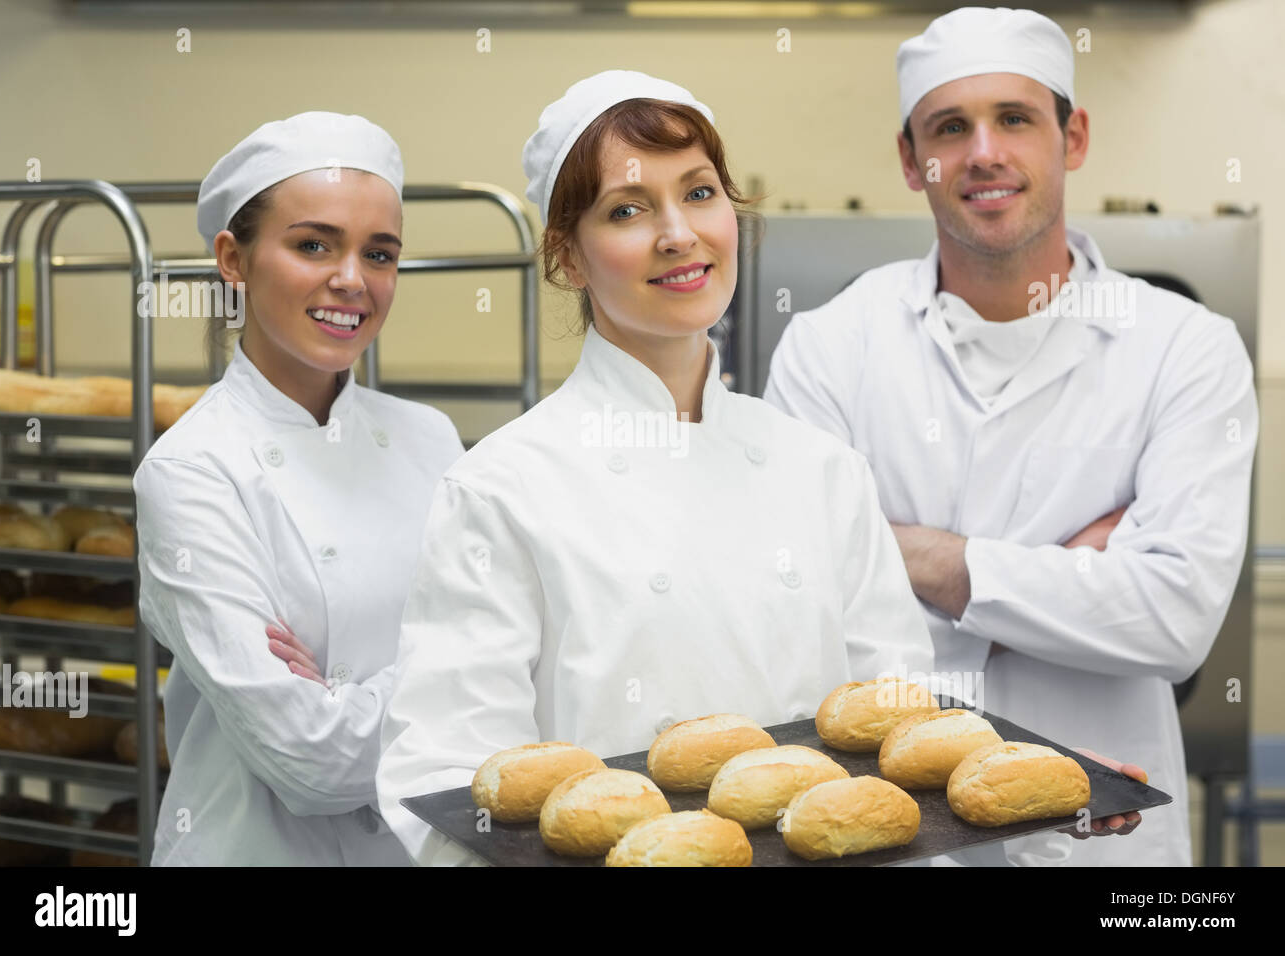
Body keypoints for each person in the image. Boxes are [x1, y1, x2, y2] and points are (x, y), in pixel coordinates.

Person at [376, 70, 963, 866]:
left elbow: (900, 730)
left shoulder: (822, 470)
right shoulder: (505, 487)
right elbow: (448, 783)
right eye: (627, 210)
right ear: (568, 258)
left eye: (699, 193)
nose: (679, 234)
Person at [765, 7, 1258, 866]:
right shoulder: (830, 344)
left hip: (1109, 843)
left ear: (1073, 138)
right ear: (911, 160)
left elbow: (1174, 622)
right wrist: (1070, 573)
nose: (983, 153)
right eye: (949, 127)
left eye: (1015, 119)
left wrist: (908, 557)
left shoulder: (1186, 348)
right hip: (895, 837)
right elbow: (798, 611)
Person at [134, 111, 464, 865]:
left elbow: (521, 672)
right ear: (233, 259)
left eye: (378, 254)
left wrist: (347, 698)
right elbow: (313, 765)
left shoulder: (430, 438)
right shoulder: (193, 472)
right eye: (313, 244)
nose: (351, 280)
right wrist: (460, 672)